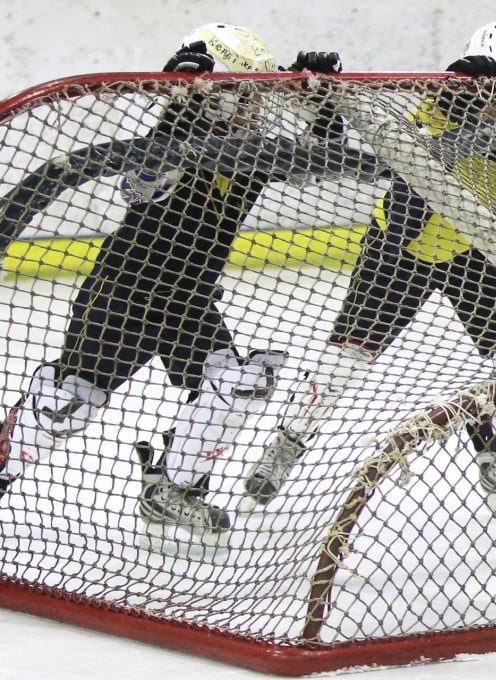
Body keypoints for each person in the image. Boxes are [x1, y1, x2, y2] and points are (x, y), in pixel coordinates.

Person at [240, 19, 496, 517]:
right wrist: (460, 89)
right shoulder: (444, 110)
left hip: (474, 253)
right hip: (401, 251)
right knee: (343, 365)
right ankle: (286, 446)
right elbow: (430, 118)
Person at [0, 23, 346, 545]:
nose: (252, 105)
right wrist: (180, 103)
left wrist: (323, 103)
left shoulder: (251, 150)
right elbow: (142, 184)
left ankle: (172, 492)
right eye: (239, 94)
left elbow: (323, 162)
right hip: (124, 297)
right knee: (65, 407)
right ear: (209, 98)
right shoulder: (172, 137)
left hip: (190, 304)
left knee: (238, 386)